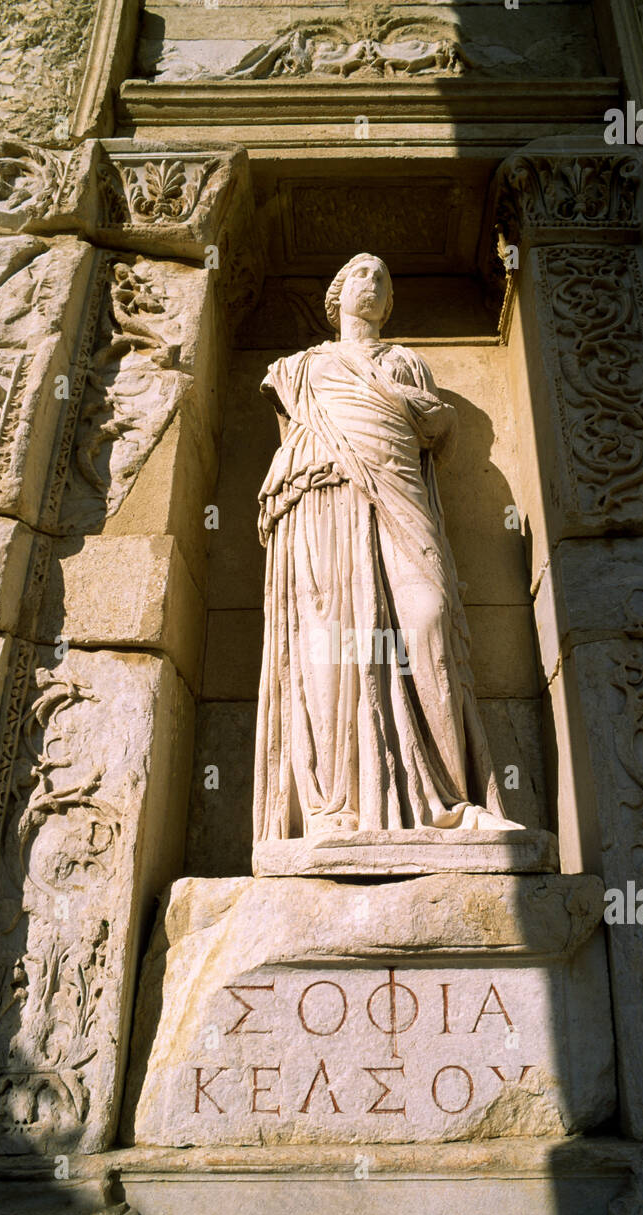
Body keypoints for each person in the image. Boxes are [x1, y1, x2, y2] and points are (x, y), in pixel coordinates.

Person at [254, 251, 517, 846]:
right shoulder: (297, 369)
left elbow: (426, 442)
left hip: (401, 501)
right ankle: (331, 808)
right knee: (328, 646)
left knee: (429, 619)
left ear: (390, 302)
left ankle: (451, 799)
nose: (371, 284)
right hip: (321, 503)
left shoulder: (406, 364)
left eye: (383, 277)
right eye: (360, 274)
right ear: (338, 293)